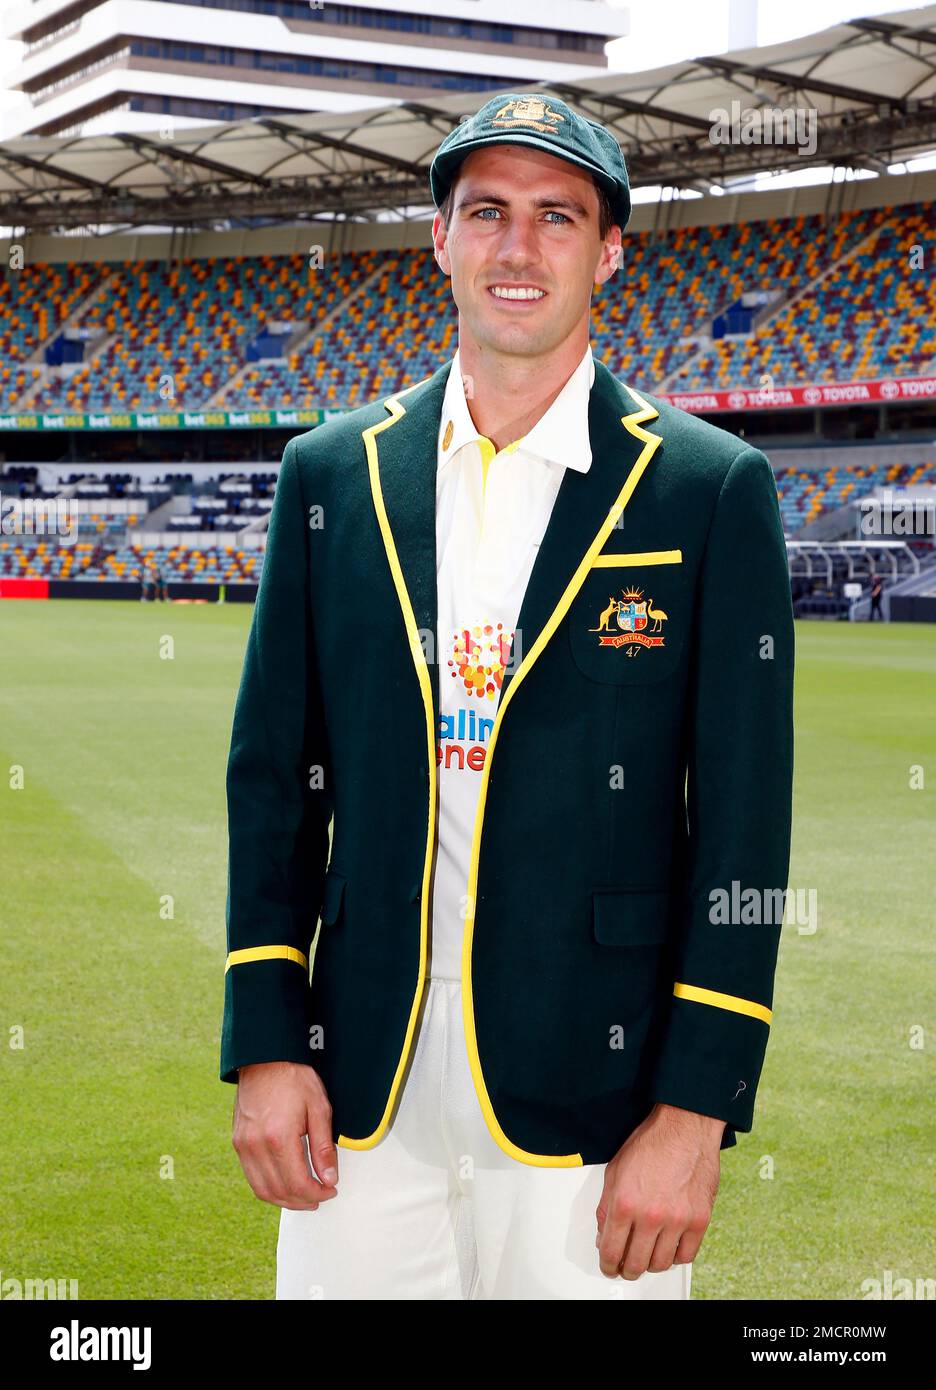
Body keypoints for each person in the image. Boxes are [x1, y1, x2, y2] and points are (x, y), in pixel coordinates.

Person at [220, 92, 794, 1301]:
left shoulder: (708, 487)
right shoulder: (331, 472)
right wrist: (268, 1039)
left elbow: (746, 826)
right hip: (359, 1098)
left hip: (601, 1104)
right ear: (441, 238)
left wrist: (697, 1107)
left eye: (557, 216)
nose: (518, 247)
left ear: (609, 250)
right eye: (486, 212)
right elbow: (273, 782)